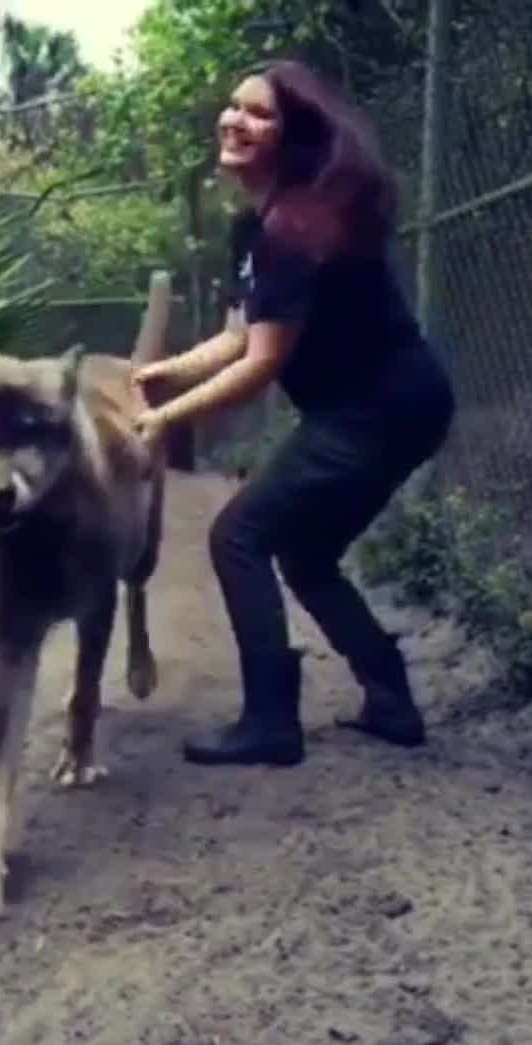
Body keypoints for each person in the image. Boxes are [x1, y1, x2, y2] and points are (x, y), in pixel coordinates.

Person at [131, 60, 456, 768]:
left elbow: (260, 364)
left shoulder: (296, 225)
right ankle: (391, 700)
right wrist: (155, 378)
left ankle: (271, 724)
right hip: (372, 407)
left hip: (382, 408)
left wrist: (162, 421)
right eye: (233, 106)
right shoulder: (257, 228)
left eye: (259, 113)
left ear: (292, 136)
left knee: (239, 535)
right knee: (305, 555)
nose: (234, 120)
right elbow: (234, 338)